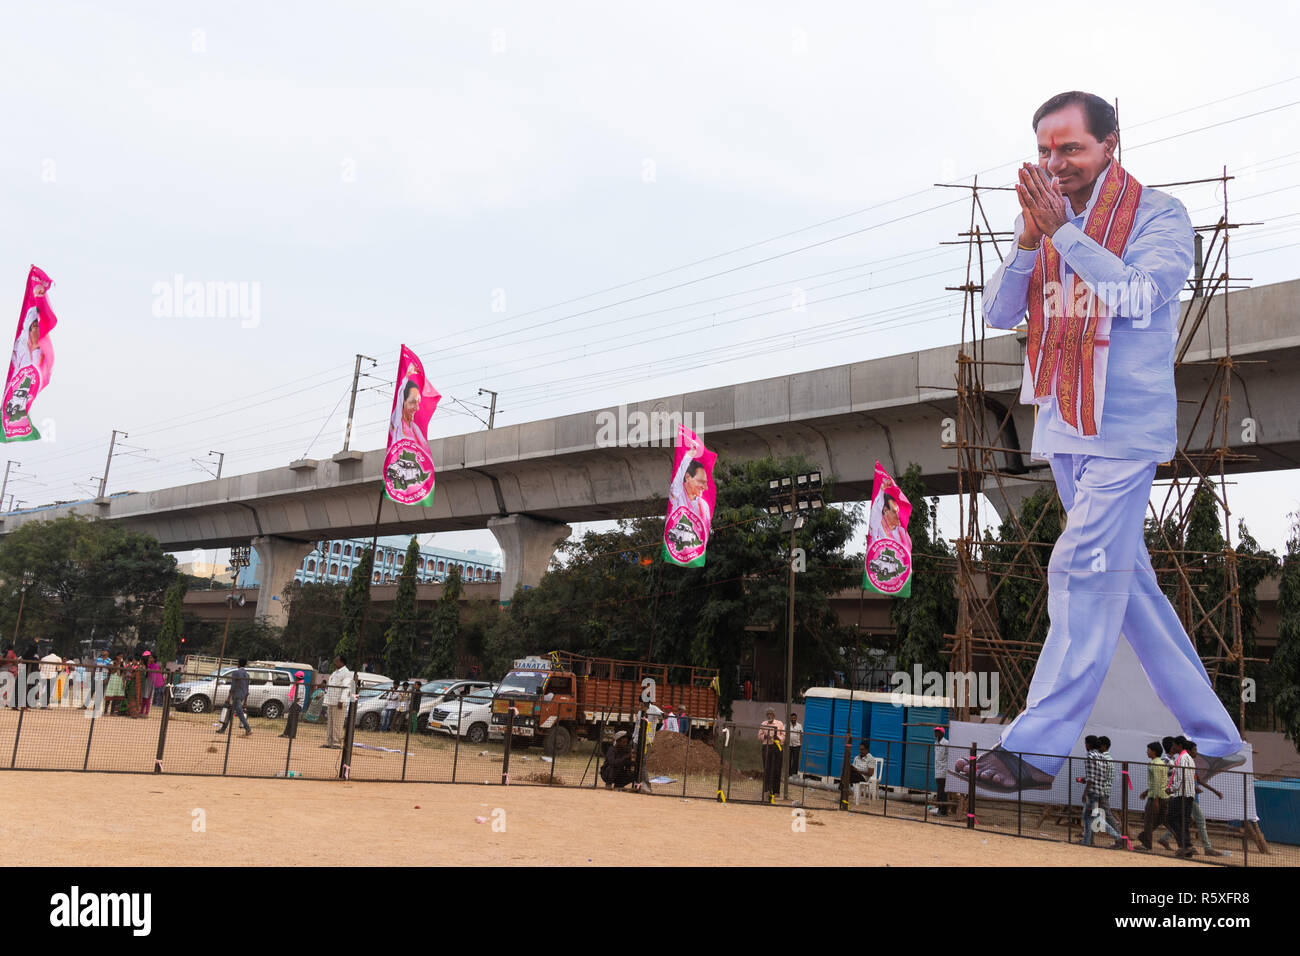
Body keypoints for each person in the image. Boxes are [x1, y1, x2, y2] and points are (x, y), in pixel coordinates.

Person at [956, 91, 1247, 795]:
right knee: (1131, 589)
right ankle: (1217, 736)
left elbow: (1143, 295)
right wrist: (1030, 244)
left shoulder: (1159, 214)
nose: (1056, 164)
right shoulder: (1049, 224)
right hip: (1063, 426)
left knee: (1080, 570)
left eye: (1072, 149)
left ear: (1110, 144)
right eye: (1045, 151)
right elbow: (999, 313)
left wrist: (1066, 236)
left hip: (1124, 431)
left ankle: (1034, 749)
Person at [1080, 735, 1124, 849]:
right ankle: (1087, 841)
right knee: (1089, 817)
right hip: (1099, 790)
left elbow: (1091, 777)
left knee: (1095, 817)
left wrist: (1085, 792)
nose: (1085, 746)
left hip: (1092, 791)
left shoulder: (1090, 756)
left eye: (1086, 743)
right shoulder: (1102, 757)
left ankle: (1117, 836)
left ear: (1089, 744)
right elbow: (1101, 776)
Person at [1185, 741, 1225, 857]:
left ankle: (1166, 838)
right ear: (1189, 750)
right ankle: (1207, 848)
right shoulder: (1187, 763)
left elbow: (1199, 781)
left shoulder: (1192, 764)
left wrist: (1215, 791)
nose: (1196, 752)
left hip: (1192, 797)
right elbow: (1187, 780)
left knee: (1184, 820)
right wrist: (1194, 787)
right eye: (1194, 750)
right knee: (1201, 821)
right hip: (1190, 797)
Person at [668, 431, 712, 530]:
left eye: (705, 483)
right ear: (688, 477)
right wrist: (689, 455)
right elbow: (678, 478)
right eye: (701, 481)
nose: (704, 487)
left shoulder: (704, 506)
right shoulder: (678, 495)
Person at [1168, 736, 1198, 859]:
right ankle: (1186, 848)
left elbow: (1181, 777)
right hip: (1188, 794)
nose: (1173, 748)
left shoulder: (1183, 758)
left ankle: (1186, 844)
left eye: (1174, 745)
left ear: (1179, 745)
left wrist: (1172, 789)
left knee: (1171, 818)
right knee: (1182, 821)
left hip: (1182, 794)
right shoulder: (1188, 758)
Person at [1137, 741, 1168, 852]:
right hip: (1163, 796)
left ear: (1154, 752)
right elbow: (1160, 781)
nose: (1147, 752)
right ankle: (1144, 837)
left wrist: (1154, 799)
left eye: (1148, 750)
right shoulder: (1162, 763)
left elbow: (1156, 782)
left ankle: (1146, 844)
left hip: (1155, 797)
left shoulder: (1154, 764)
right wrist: (1146, 792)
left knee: (1149, 820)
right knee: (1160, 819)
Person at [867, 478, 912, 550]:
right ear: (885, 510)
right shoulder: (877, 527)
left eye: (897, 511)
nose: (898, 515)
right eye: (894, 511)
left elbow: (908, 548)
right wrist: (882, 489)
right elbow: (876, 508)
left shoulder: (902, 532)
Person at [215, 659, 252, 736]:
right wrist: (245, 701)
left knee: (240, 713)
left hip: (236, 696)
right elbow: (247, 688)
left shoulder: (236, 673)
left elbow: (233, 686)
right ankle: (223, 729)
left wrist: (228, 698)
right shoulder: (247, 675)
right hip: (242, 696)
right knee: (230, 711)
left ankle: (248, 728)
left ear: (238, 664)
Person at [323, 655, 353, 749]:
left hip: (338, 702)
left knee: (337, 723)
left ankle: (336, 743)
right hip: (331, 701)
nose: (334, 663)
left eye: (336, 661)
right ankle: (329, 742)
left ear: (341, 662)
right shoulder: (335, 673)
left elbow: (346, 687)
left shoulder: (346, 673)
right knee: (330, 723)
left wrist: (342, 700)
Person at [758, 708, 785, 802]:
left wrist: (777, 737)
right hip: (767, 747)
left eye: (771, 714)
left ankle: (776, 791)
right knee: (767, 769)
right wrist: (765, 736)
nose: (769, 715)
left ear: (774, 715)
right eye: (768, 714)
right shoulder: (763, 724)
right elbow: (759, 736)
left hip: (777, 747)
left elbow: (784, 736)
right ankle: (766, 790)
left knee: (777, 769)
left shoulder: (780, 723)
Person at [281, 670, 307, 739]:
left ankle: (292, 735)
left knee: (293, 720)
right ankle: (286, 733)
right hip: (294, 704)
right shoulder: (297, 684)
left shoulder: (300, 685)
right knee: (290, 719)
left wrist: (293, 704)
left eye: (296, 677)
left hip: (297, 704)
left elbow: (299, 696)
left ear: (298, 677)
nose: (295, 678)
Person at [932, 726, 950, 815]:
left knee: (942, 791)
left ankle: (943, 810)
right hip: (937, 770)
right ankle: (940, 809)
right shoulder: (935, 743)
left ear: (942, 733)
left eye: (938, 732)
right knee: (939, 790)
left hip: (944, 770)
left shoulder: (946, 743)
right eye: (935, 732)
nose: (936, 734)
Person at [787, 712, 803, 778]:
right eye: (792, 718)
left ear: (796, 718)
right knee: (789, 759)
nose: (793, 719)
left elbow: (801, 735)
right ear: (790, 718)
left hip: (797, 745)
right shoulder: (787, 725)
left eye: (794, 718)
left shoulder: (799, 726)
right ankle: (788, 774)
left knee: (795, 760)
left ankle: (794, 774)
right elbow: (785, 734)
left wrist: (800, 743)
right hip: (789, 745)